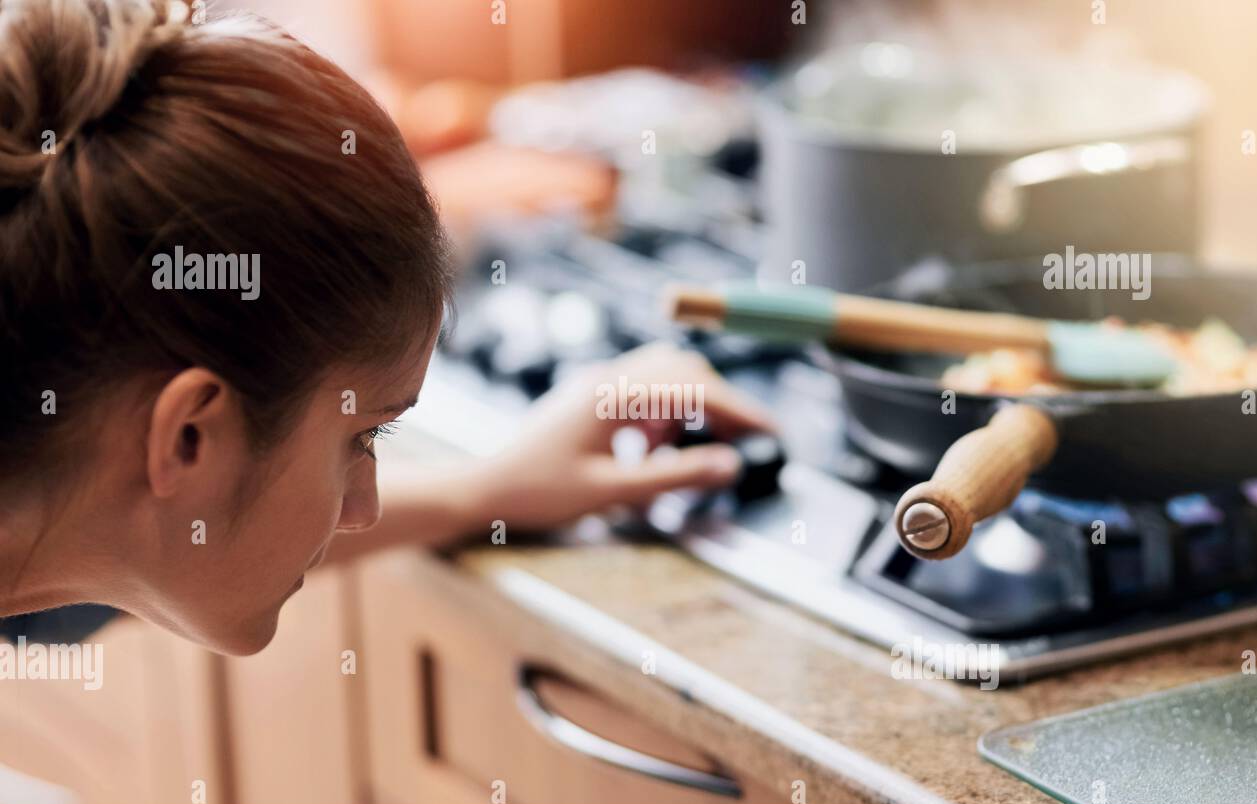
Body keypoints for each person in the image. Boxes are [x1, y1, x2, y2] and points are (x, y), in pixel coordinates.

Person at [0, 0, 773, 656]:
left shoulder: (51, 528)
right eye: (362, 437)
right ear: (187, 438)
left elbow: (161, 525)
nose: (362, 506)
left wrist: (487, 491)